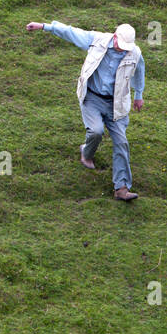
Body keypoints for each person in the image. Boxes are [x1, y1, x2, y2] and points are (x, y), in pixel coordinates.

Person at [25, 20, 145, 200]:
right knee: (96, 131)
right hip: (92, 98)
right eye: (121, 45)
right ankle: (86, 153)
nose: (123, 49)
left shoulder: (135, 53)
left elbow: (140, 71)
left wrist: (138, 95)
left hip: (116, 104)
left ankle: (121, 189)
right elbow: (71, 32)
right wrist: (44, 26)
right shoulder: (97, 40)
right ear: (114, 37)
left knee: (121, 143)